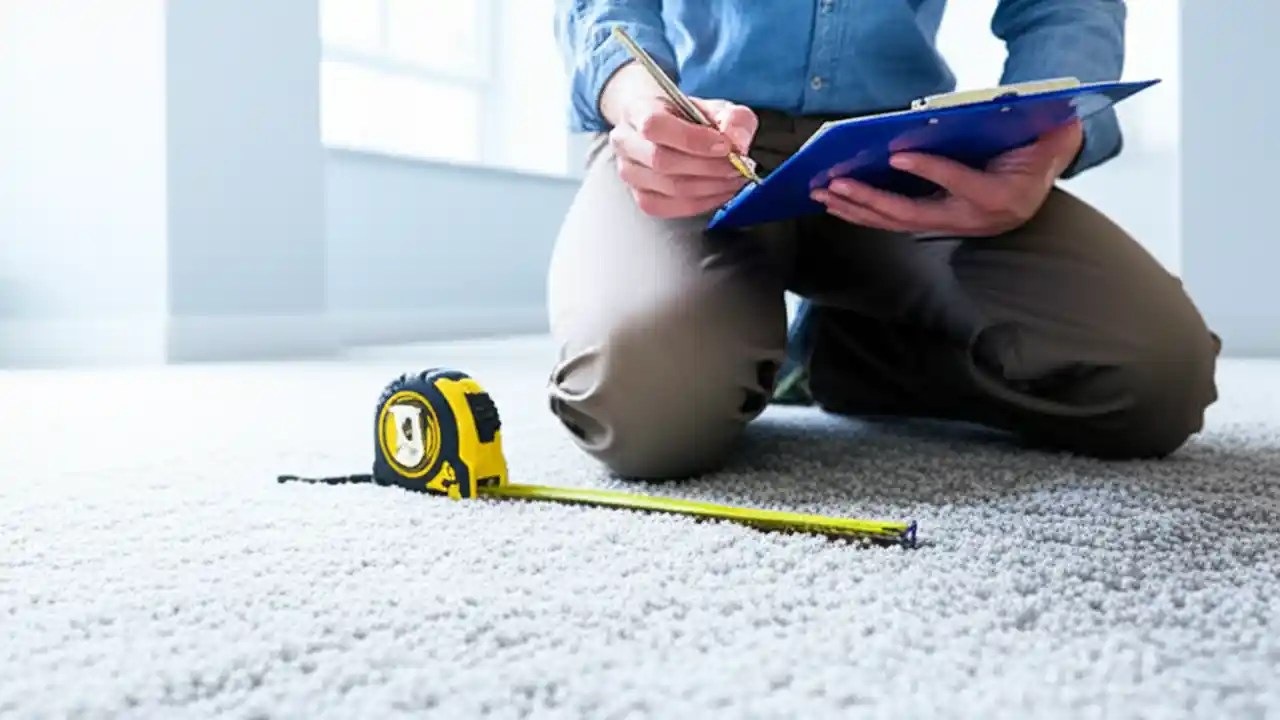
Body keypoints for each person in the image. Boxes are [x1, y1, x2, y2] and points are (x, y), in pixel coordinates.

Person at [546, 1, 1219, 479]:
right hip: (704, 139)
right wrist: (637, 102)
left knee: (1155, 377)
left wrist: (1048, 132)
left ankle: (840, 356)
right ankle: (723, 342)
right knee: (644, 413)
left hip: (903, 148)